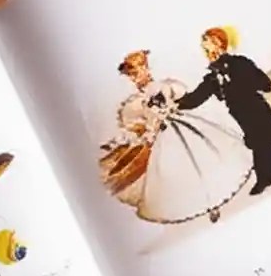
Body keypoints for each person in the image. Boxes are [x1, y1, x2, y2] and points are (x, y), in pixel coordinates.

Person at [100, 50, 253, 223]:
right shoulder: (137, 101)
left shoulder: (163, 86)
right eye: (132, 76)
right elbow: (145, 124)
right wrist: (149, 134)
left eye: (137, 73)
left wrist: (167, 110)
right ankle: (205, 204)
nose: (136, 78)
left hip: (180, 125)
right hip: (162, 136)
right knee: (174, 170)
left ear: (146, 70)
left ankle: (214, 201)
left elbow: (180, 99)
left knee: (201, 158)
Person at [178, 27, 271, 196]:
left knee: (261, 140)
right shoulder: (213, 75)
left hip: (255, 106)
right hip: (240, 112)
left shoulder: (239, 62)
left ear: (218, 43)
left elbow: (264, 83)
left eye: (207, 41)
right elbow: (197, 97)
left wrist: (243, 82)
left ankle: (264, 180)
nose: (204, 46)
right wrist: (175, 103)